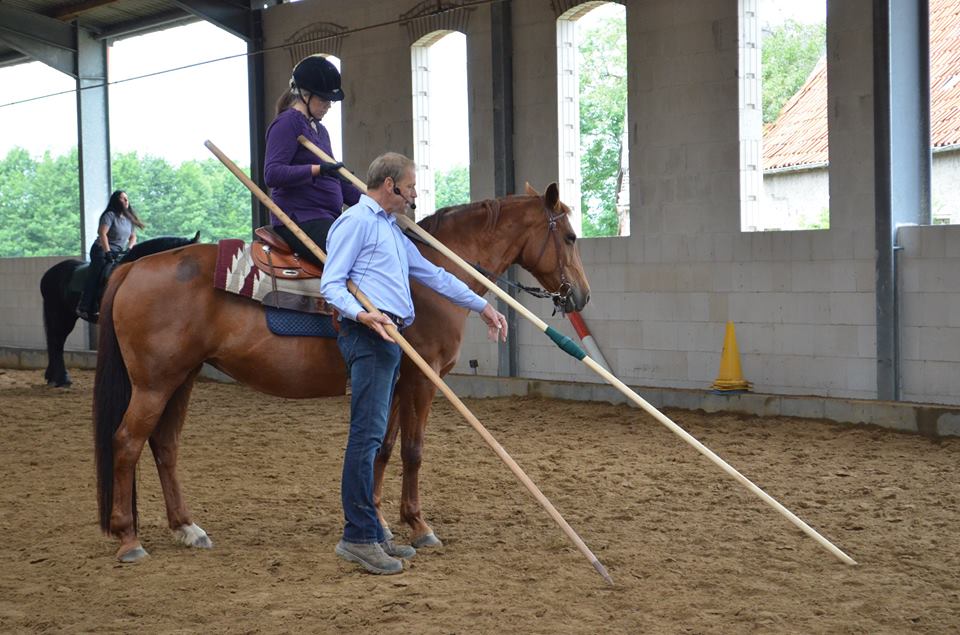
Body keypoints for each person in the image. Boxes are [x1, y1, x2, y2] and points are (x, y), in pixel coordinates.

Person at [320, 152, 509, 575]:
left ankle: (373, 532)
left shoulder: (390, 229)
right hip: (369, 336)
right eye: (411, 186)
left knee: (373, 438)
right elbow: (331, 284)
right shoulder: (356, 222)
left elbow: (433, 275)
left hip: (390, 338)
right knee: (366, 438)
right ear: (390, 185)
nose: (415, 195)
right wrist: (362, 315)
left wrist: (481, 306)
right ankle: (357, 538)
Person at [264, 54, 362, 264]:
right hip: (300, 219)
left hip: (328, 218)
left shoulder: (321, 131)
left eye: (330, 101)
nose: (328, 105)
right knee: (357, 258)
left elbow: (337, 180)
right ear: (304, 94)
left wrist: (375, 202)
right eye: (324, 99)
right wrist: (317, 170)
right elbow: (272, 174)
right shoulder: (287, 123)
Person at [76, 189, 144, 322]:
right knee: (98, 273)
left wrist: (130, 248)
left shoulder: (129, 219)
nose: (126, 201)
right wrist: (107, 252)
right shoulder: (109, 215)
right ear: (116, 201)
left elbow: (133, 237)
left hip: (118, 251)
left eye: (127, 198)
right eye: (122, 198)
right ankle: (84, 306)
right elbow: (102, 233)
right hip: (101, 249)